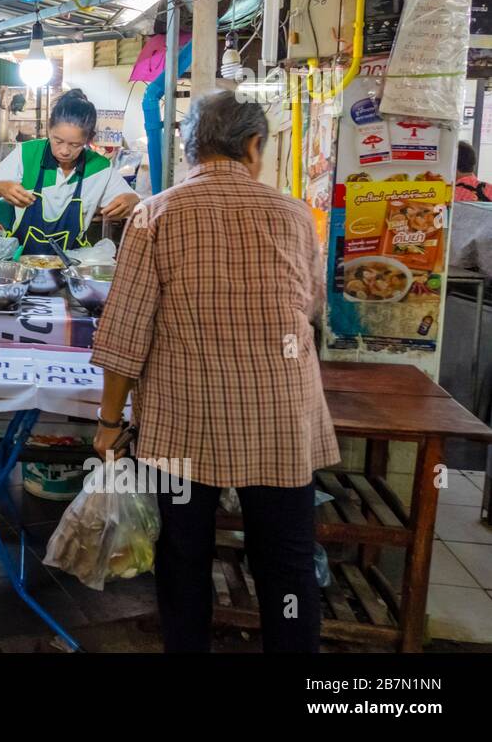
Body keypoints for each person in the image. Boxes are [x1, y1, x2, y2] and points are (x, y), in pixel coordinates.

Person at [90, 90, 338, 653]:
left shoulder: (156, 213)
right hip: (281, 419)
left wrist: (109, 424)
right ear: (255, 146)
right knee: (288, 562)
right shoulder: (296, 214)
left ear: (190, 148)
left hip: (184, 420)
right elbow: (312, 307)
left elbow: (127, 332)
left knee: (183, 554)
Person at [0, 88, 139, 254]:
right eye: (58, 140)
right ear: (49, 129)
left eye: (75, 145)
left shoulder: (99, 168)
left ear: (88, 139)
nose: (64, 151)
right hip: (22, 265)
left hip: (73, 267)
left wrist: (132, 201)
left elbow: (137, 205)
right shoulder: (28, 154)